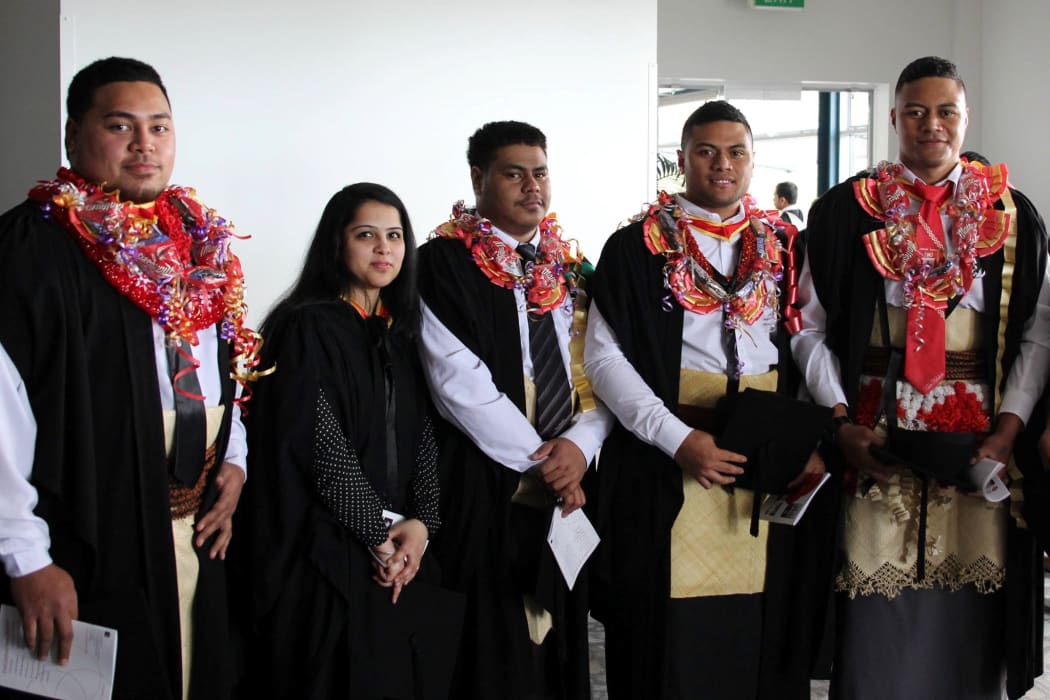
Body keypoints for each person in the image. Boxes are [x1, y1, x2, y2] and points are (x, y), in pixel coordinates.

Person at [0, 57, 263, 700]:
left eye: (160, 127)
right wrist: (27, 556)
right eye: (121, 126)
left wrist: (234, 459)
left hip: (193, 518)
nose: (145, 144)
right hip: (92, 517)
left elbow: (225, 367)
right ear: (73, 137)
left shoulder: (197, 239)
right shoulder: (35, 243)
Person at [792, 56, 1050, 700]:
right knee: (874, 609)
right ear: (893, 117)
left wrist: (1010, 429)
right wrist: (839, 421)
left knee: (972, 607)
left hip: (980, 442)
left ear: (965, 118)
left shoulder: (1010, 214)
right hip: (875, 437)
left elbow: (1038, 333)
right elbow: (807, 326)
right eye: (915, 111)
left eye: (946, 112)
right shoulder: (847, 210)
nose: (930, 125)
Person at [583, 100, 835, 700]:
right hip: (667, 450)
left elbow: (808, 341)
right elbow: (604, 359)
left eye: (737, 152)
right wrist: (679, 440)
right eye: (707, 151)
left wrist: (816, 437)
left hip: (768, 450)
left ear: (752, 161)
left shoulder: (786, 245)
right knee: (664, 635)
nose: (722, 165)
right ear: (683, 159)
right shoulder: (635, 246)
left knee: (763, 623)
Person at [232, 183, 460, 699]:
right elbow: (320, 445)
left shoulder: (397, 333)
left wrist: (422, 526)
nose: (385, 249)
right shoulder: (306, 325)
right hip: (326, 555)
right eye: (367, 235)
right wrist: (378, 539)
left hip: (396, 548)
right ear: (337, 243)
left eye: (395, 236)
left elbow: (424, 434)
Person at [417, 120, 614, 699]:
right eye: (514, 173)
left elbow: (602, 368)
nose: (533, 186)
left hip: (571, 475)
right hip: (488, 479)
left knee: (562, 641)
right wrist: (543, 461)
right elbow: (457, 381)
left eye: (541, 172)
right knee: (493, 645)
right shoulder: (442, 264)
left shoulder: (570, 268)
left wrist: (581, 446)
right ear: (478, 178)